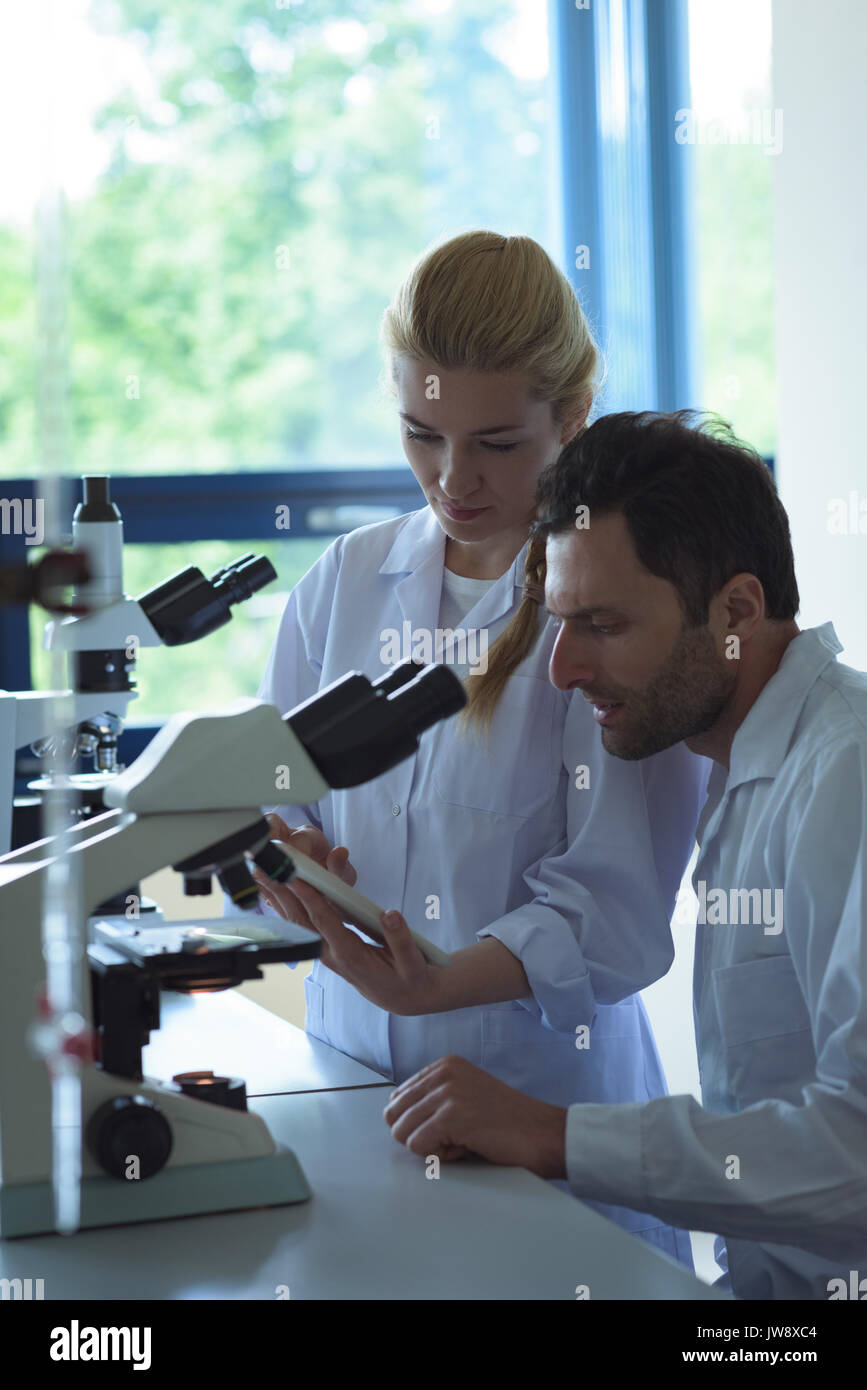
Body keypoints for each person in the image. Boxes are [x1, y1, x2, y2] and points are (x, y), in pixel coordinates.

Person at [247, 232, 710, 1264]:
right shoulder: (343, 584)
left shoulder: (609, 614)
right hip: (350, 1090)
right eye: (422, 434)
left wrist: (432, 984)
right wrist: (284, 858)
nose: (453, 479)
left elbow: (615, 909)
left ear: (570, 416)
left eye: (497, 444)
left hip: (541, 1115)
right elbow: (275, 791)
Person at [362, 409, 867, 1301]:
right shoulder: (747, 770)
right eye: (560, 623)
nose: (561, 669)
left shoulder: (845, 778)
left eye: (601, 624)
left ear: (736, 612)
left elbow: (855, 1154)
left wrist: (553, 1135)